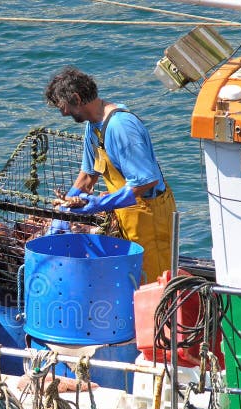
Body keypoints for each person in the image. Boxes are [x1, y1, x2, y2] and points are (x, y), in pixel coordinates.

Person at [45, 67, 176, 282]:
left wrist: (100, 204)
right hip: (126, 213)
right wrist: (64, 211)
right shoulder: (93, 127)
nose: (63, 113)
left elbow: (145, 181)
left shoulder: (121, 127)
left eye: (63, 106)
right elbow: (88, 176)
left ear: (77, 98)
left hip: (150, 216)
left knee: (154, 281)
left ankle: (162, 316)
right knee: (133, 278)